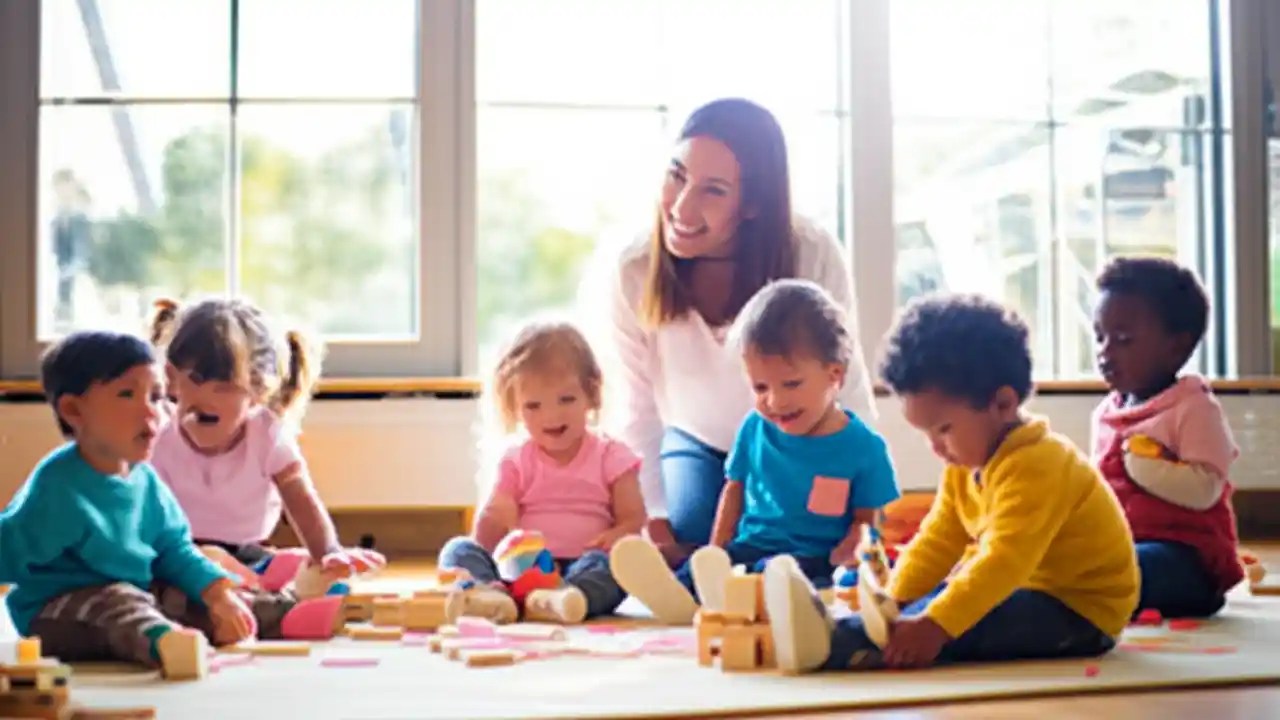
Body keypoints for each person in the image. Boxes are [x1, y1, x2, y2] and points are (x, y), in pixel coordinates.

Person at [764, 294, 1138, 672]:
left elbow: (1003, 561)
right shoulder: (964, 465)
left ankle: (837, 642)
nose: (936, 448)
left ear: (1003, 404)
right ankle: (849, 635)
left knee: (965, 617)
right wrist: (894, 601)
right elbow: (938, 541)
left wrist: (935, 625)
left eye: (944, 430)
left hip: (1079, 611)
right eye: (927, 433)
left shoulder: (1039, 464)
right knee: (938, 602)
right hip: (1018, 589)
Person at [589, 97, 875, 564]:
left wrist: (866, 517)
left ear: (753, 205)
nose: (682, 206)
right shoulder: (635, 268)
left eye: (714, 190)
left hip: (796, 442)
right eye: (677, 175)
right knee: (700, 532)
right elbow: (638, 411)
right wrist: (651, 516)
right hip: (694, 445)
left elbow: (847, 381)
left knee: (806, 534)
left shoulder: (810, 253)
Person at [611, 280, 897, 624]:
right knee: (716, 568)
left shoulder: (863, 447)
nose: (775, 401)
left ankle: (741, 596)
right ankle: (681, 592)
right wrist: (716, 550)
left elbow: (869, 517)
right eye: (760, 387)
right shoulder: (754, 427)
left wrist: (854, 548)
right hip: (752, 544)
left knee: (782, 577)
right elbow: (734, 490)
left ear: (834, 375)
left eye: (791, 384)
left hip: (814, 557)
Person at [0, 331, 255, 677]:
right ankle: (166, 642)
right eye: (127, 394)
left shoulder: (145, 480)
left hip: (138, 593)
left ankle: (278, 613)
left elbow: (174, 549)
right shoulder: (57, 488)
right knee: (119, 602)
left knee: (189, 594)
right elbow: (8, 551)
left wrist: (217, 594)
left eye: (157, 396)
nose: (151, 411)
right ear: (74, 410)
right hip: (57, 611)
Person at [149, 298, 384, 592]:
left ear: (257, 391)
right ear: (171, 378)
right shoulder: (157, 433)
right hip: (178, 556)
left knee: (327, 583)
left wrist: (328, 553)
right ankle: (257, 596)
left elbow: (301, 501)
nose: (206, 398)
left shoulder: (265, 435)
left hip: (250, 556)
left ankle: (261, 591)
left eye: (224, 387)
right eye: (195, 381)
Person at [437, 319, 644, 624]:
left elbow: (633, 518)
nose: (552, 415)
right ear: (514, 407)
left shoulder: (611, 454)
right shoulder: (516, 459)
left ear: (592, 394)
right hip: (518, 569)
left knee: (616, 567)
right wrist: (493, 532)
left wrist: (615, 535)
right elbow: (497, 517)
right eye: (533, 406)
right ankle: (491, 595)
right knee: (456, 550)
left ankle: (563, 600)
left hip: (581, 567)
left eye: (566, 399)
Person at [1091, 256, 1243, 618]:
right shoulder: (1106, 413)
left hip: (1186, 555)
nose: (1105, 352)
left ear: (1176, 347)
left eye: (1123, 340)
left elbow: (1204, 488)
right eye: (1099, 337)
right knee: (1081, 561)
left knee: (1128, 568)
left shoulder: (1193, 407)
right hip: (1123, 545)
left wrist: (1145, 467)